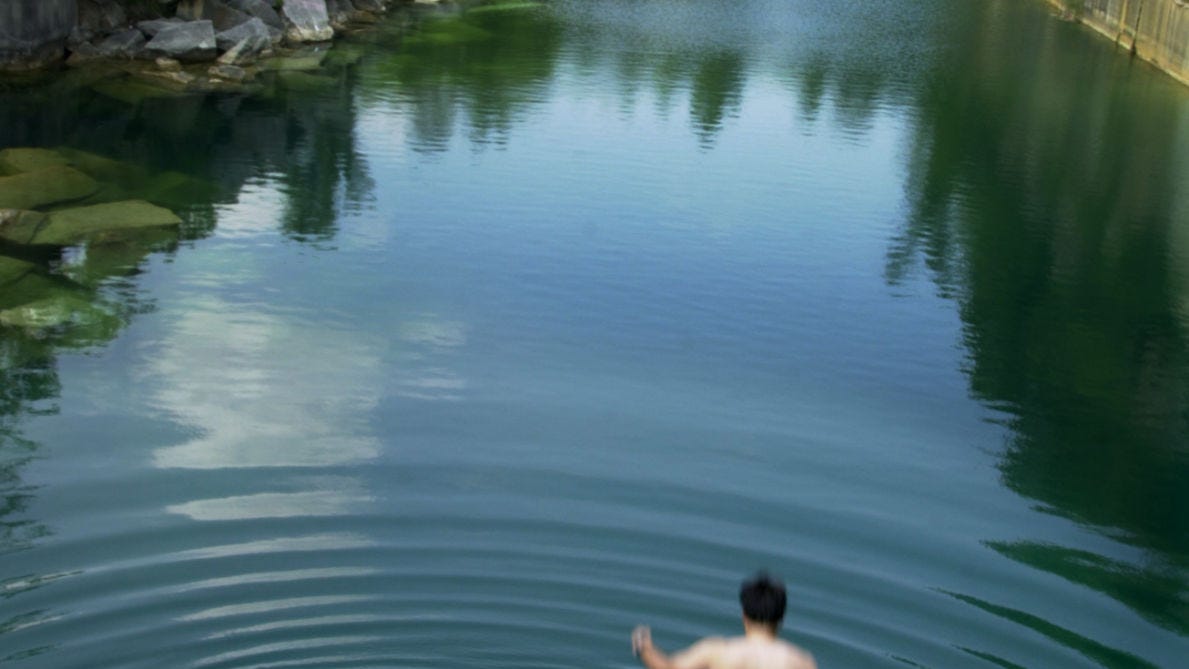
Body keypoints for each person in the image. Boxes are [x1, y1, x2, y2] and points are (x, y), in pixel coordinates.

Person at [631, 572, 818, 669]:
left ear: (744, 615)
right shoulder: (802, 662)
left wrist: (643, 647)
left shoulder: (717, 651)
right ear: (782, 617)